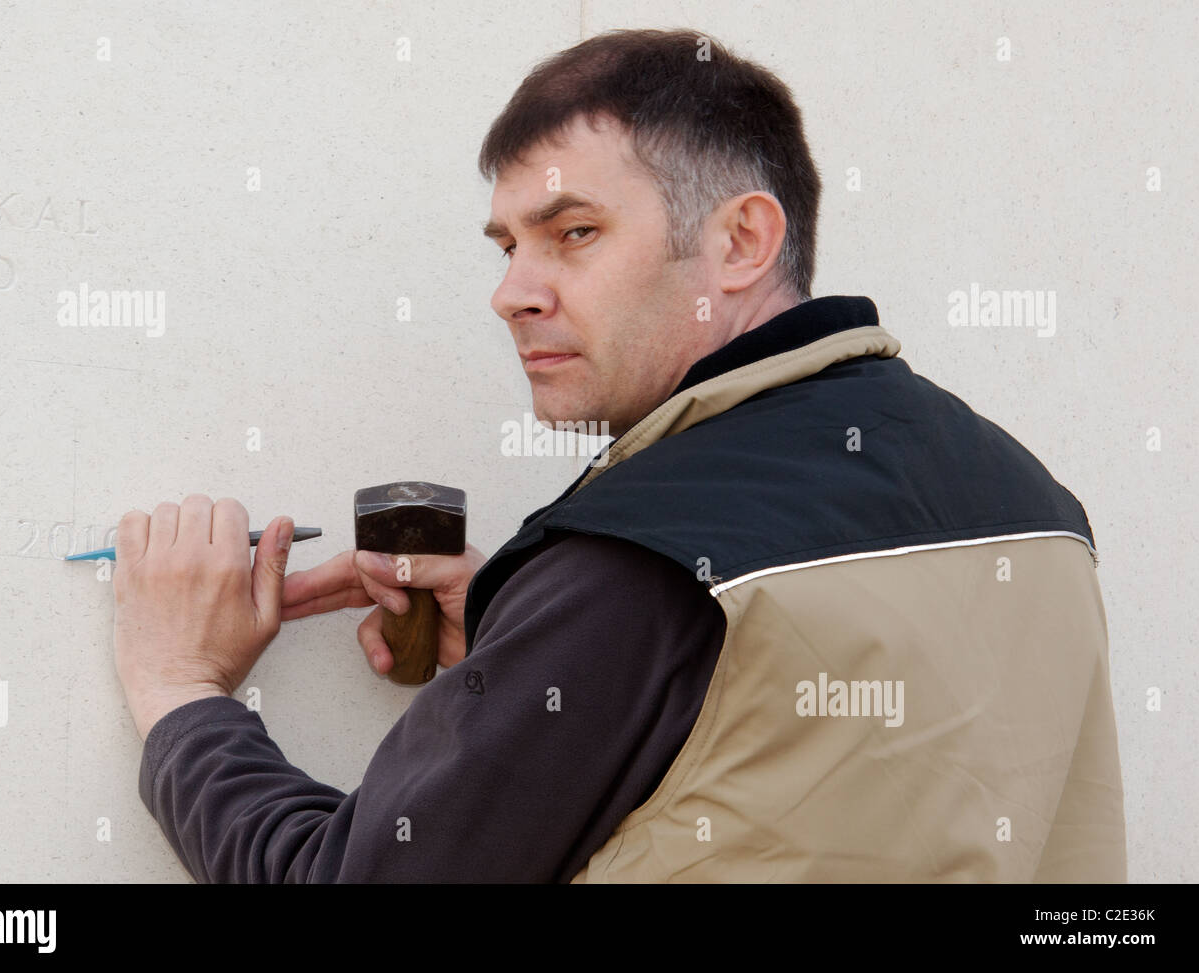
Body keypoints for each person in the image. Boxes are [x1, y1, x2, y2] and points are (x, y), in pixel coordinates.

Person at [113, 28, 1126, 882]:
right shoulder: (1034, 504)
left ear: (740, 241)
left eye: (574, 232)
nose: (512, 291)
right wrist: (540, 646)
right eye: (507, 245)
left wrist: (181, 692)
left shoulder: (638, 558)